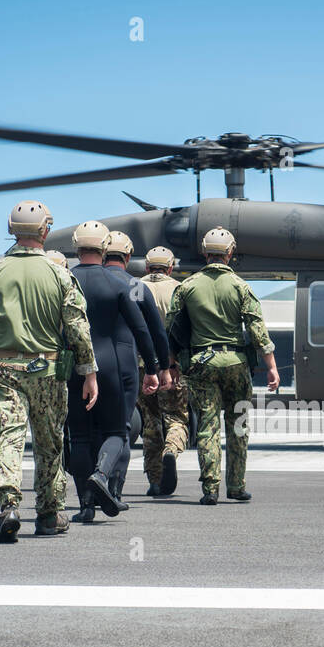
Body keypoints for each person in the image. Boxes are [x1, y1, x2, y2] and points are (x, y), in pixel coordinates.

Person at [0, 200, 98, 543]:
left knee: (8, 438)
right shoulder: (58, 274)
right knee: (49, 443)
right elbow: (78, 328)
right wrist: (89, 372)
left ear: (11, 230)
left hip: (4, 369)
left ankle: (9, 505)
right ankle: (50, 514)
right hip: (48, 371)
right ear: (45, 231)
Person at [167, 226, 278, 505]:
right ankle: (237, 486)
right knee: (238, 424)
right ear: (230, 253)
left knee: (207, 425)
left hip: (201, 364)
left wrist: (172, 364)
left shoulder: (187, 286)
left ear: (205, 253)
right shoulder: (241, 286)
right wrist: (272, 366)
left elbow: (171, 329)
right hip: (236, 364)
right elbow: (257, 329)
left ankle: (210, 489)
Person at [66, 221, 161, 521]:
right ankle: (102, 475)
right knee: (116, 431)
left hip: (74, 367)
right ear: (105, 248)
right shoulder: (120, 284)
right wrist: (153, 368)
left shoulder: (63, 280)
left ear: (76, 246)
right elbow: (142, 329)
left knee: (79, 436)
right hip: (111, 366)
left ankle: (84, 506)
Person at [103, 231, 172, 502]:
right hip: (130, 365)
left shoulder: (81, 281)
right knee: (125, 428)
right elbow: (151, 332)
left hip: (91, 366)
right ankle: (114, 486)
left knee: (89, 430)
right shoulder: (135, 286)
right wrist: (161, 366)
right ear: (129, 257)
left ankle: (87, 495)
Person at [138, 246, 187, 496]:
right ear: (170, 268)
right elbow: (183, 329)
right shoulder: (179, 289)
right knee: (176, 418)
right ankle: (171, 450)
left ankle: (155, 480)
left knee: (151, 421)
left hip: (141, 366)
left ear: (146, 267)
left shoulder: (136, 287)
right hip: (171, 366)